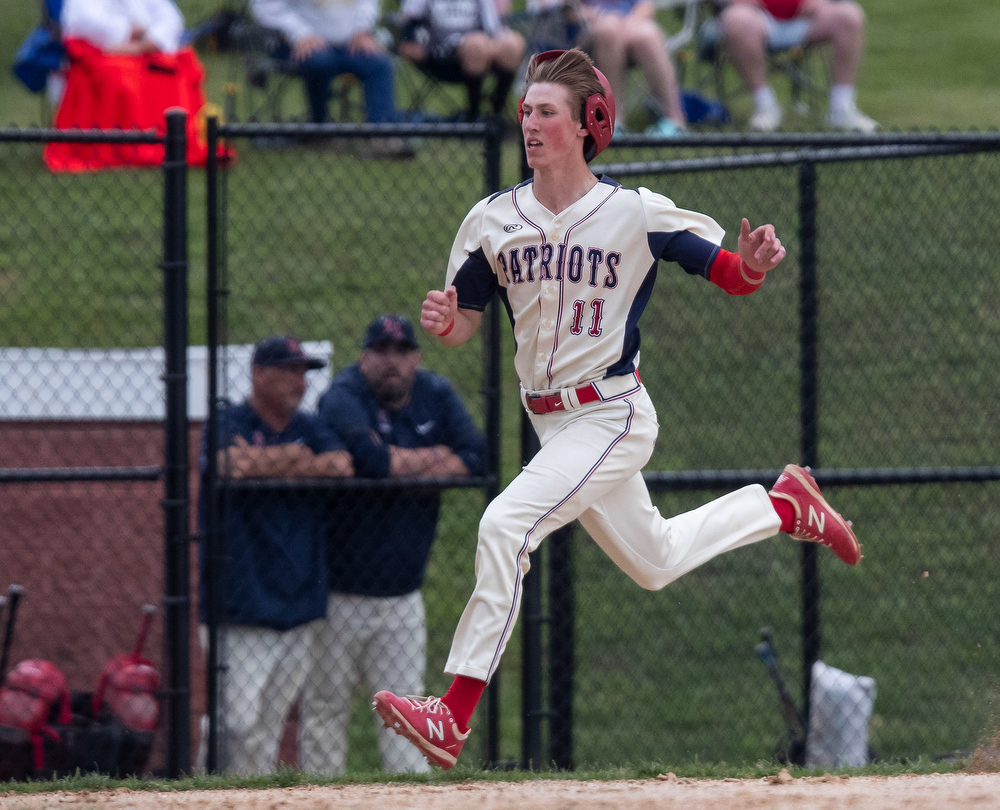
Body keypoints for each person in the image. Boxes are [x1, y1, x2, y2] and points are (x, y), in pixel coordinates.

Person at [372, 47, 861, 770]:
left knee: (505, 525)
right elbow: (466, 317)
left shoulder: (633, 212)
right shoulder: (491, 219)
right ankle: (784, 506)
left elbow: (731, 276)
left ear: (587, 124)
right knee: (655, 560)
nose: (530, 123)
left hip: (611, 415)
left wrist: (753, 262)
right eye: (527, 111)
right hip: (550, 421)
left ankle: (453, 713)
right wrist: (448, 321)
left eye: (547, 112)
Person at [300, 314, 487, 775]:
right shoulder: (343, 395)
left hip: (404, 596)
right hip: (338, 596)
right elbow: (371, 460)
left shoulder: (436, 393)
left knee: (406, 716)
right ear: (364, 358)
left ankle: (409, 800)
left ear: (416, 358)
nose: (392, 361)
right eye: (381, 351)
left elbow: (476, 456)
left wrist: (401, 465)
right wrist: (435, 461)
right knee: (325, 711)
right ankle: (320, 803)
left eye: (401, 351)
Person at [197, 335, 353, 775]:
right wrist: (295, 456)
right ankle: (203, 795)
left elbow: (341, 465)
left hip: (299, 599)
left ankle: (246, 801)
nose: (299, 382)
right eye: (288, 371)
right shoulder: (228, 420)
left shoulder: (309, 425)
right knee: (235, 723)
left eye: (303, 373)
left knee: (267, 727)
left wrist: (270, 459)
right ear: (258, 375)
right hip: (240, 603)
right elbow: (230, 466)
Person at [47, 0, 228, 170]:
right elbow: (82, 21)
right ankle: (125, 146)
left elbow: (171, 18)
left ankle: (177, 141)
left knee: (177, 73)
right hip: (105, 53)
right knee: (123, 80)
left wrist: (149, 42)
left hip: (146, 51)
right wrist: (130, 31)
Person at [717, 0, 879, 133]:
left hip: (806, 15)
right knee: (736, 20)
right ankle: (765, 107)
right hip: (753, 14)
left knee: (849, 16)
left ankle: (841, 109)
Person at [250, 0, 403, 127]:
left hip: (348, 44)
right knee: (320, 62)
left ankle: (382, 135)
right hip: (293, 44)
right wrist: (300, 34)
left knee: (379, 63)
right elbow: (267, 7)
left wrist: (362, 29)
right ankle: (320, 127)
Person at [397, 0, 526, 121]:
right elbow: (410, 20)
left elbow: (494, 28)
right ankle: (473, 115)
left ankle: (496, 114)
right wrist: (410, 41)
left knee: (512, 45)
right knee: (476, 44)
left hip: (483, 54)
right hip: (440, 57)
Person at [577, 0, 688, 137]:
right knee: (609, 30)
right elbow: (568, 7)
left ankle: (675, 121)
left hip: (629, 25)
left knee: (646, 35)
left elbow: (645, 7)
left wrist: (628, 24)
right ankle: (613, 120)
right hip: (585, 28)